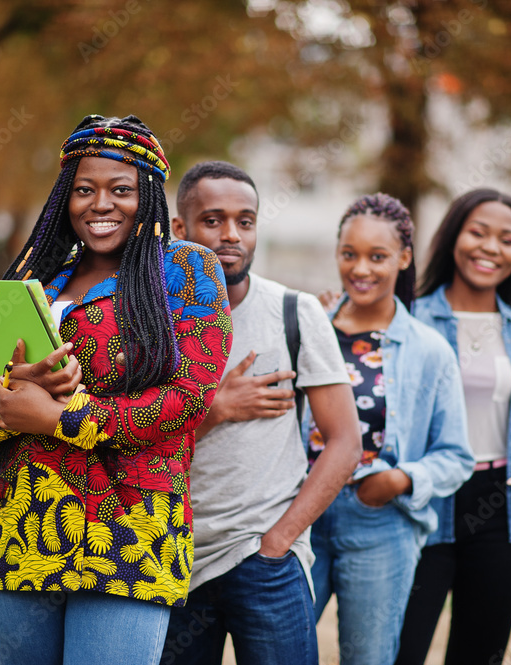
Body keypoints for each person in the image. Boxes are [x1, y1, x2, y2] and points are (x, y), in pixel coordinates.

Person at [0, 115, 233, 665]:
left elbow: (187, 400)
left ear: (147, 196)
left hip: (130, 531)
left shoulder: (185, 270)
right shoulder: (38, 280)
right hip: (24, 527)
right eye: (84, 189)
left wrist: (59, 418)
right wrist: (9, 398)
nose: (100, 203)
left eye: (120, 189)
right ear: (65, 198)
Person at [162, 161, 361, 665]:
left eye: (245, 221)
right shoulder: (152, 321)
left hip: (266, 562)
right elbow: (136, 440)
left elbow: (344, 441)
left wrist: (281, 540)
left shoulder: (295, 311)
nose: (231, 235)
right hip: (173, 556)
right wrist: (217, 409)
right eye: (213, 220)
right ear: (180, 230)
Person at [305, 193, 474, 665]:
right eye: (349, 254)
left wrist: (399, 481)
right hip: (301, 516)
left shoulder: (430, 350)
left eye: (377, 257)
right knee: (278, 650)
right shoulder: (307, 328)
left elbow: (456, 455)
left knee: (369, 657)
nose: (361, 269)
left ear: (403, 258)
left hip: (380, 523)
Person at [397, 189, 511, 665]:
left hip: (503, 502)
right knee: (400, 651)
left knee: (480, 655)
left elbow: (507, 404)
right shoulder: (410, 317)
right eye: (478, 233)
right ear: (453, 238)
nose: (490, 248)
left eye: (507, 240)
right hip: (424, 497)